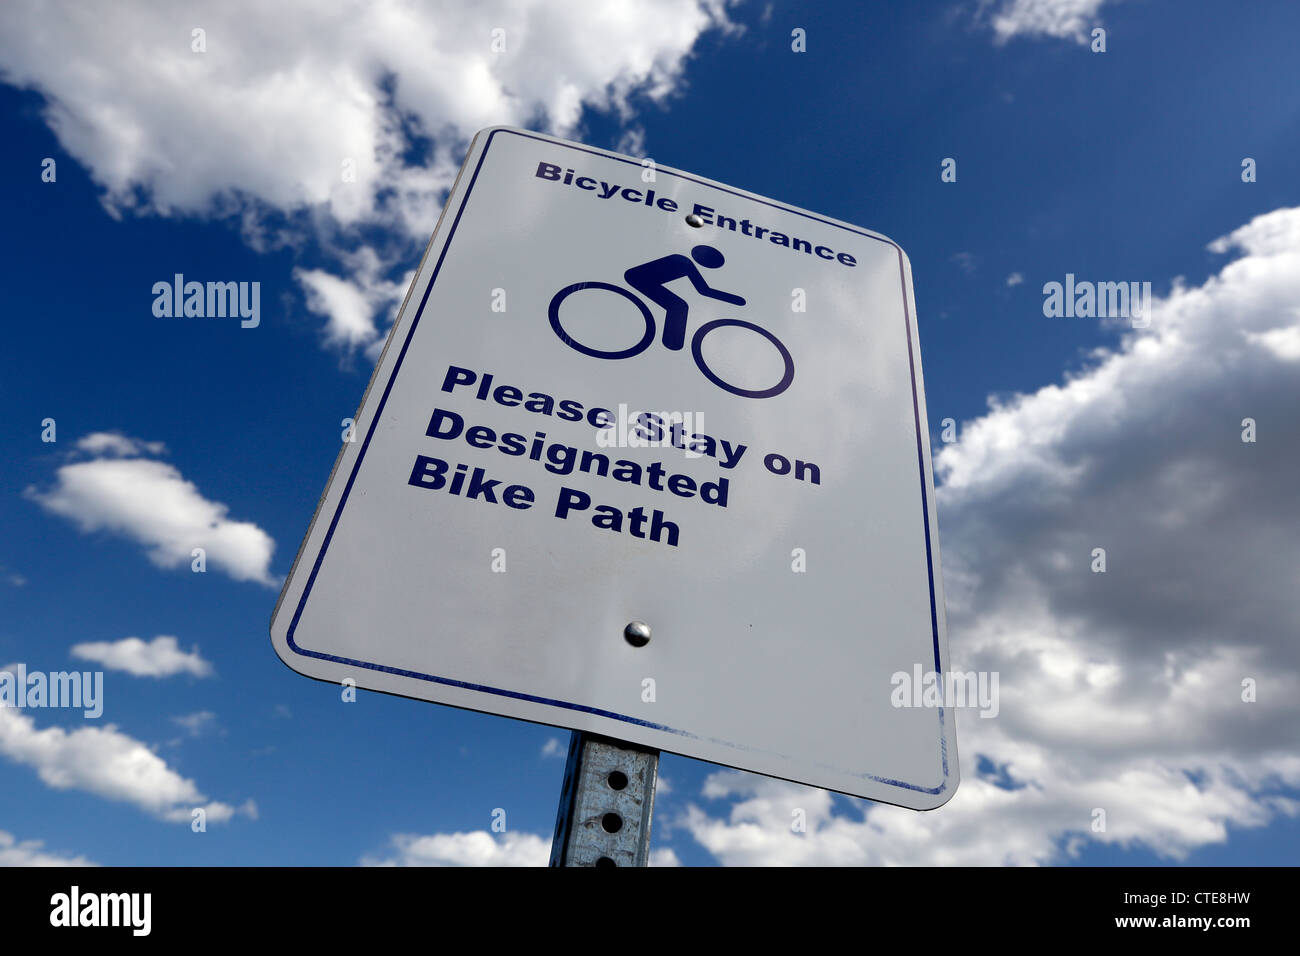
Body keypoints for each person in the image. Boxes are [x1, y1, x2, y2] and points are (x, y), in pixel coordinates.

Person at [624, 245, 746, 350]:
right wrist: (735, 300)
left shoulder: (683, 261)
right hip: (637, 278)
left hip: (641, 278)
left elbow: (703, 290)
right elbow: (704, 290)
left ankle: (673, 343)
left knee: (679, 305)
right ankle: (672, 343)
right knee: (679, 306)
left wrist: (735, 300)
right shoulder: (683, 263)